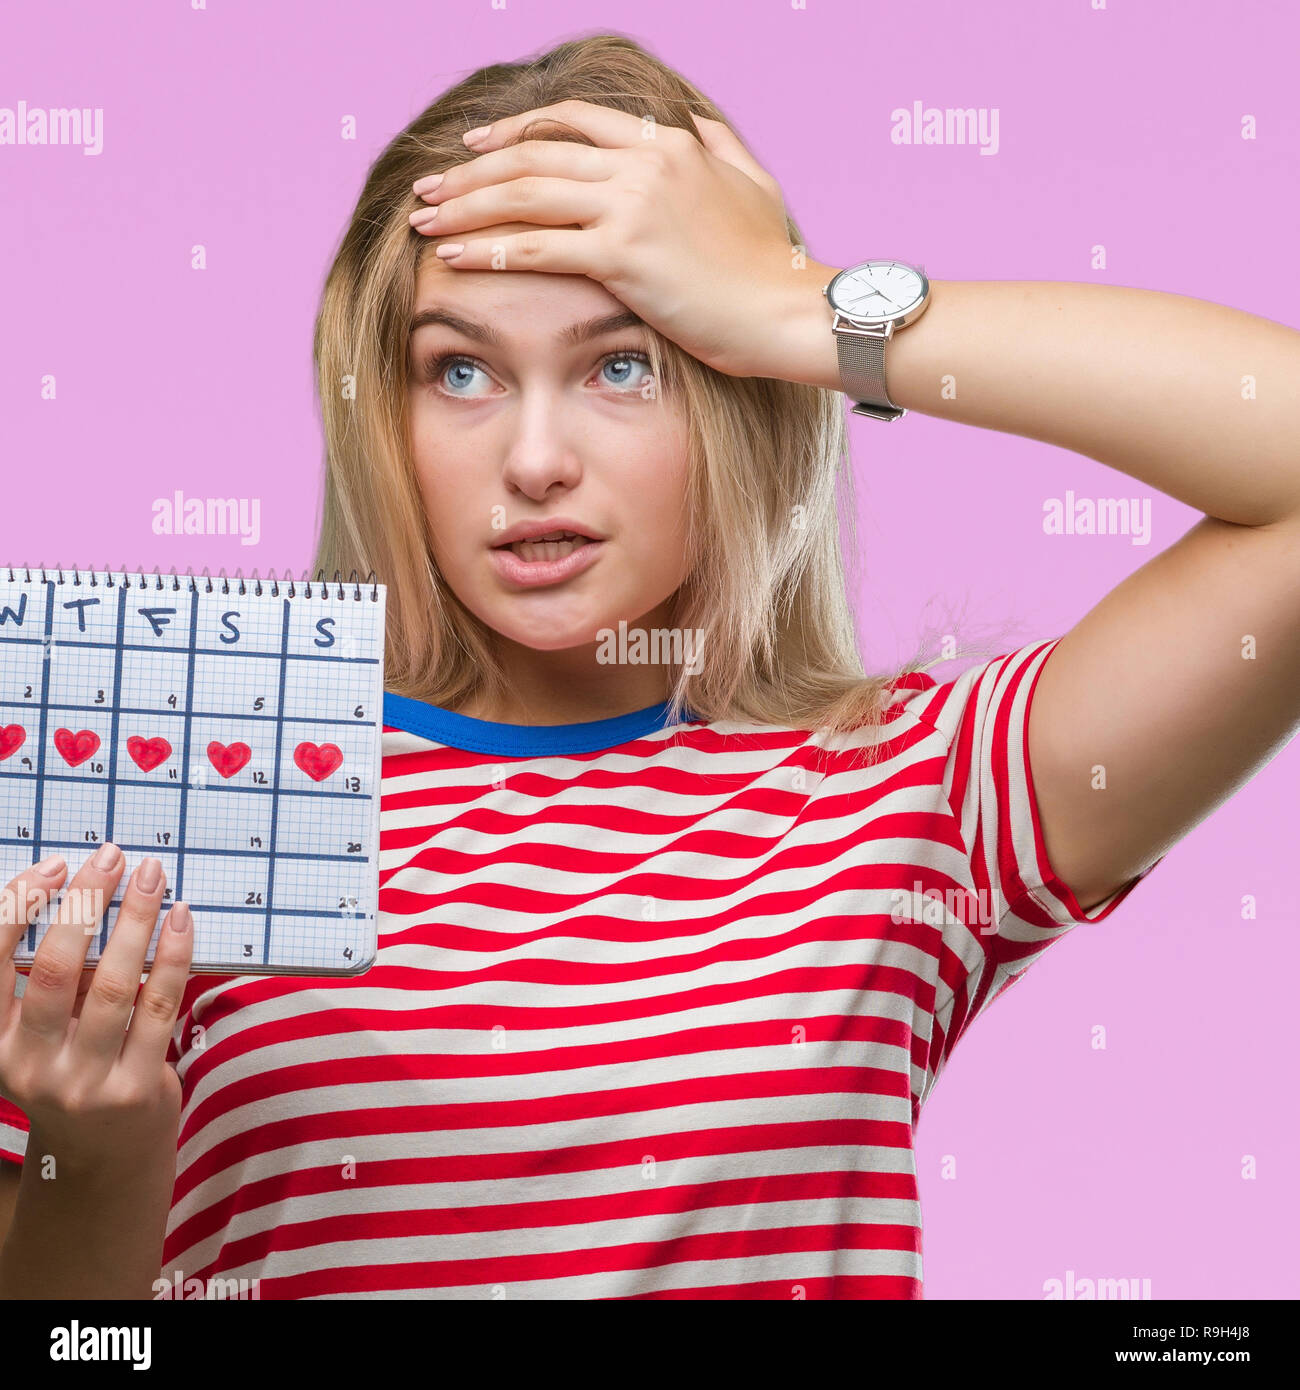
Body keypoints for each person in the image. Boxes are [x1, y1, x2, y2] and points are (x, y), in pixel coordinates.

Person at [2, 32, 1298, 1301]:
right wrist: (94, 1158)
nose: (535, 459)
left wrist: (800, 300)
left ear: (732, 385)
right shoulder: (190, 789)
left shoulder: (921, 789)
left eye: (622, 362)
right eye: (460, 370)